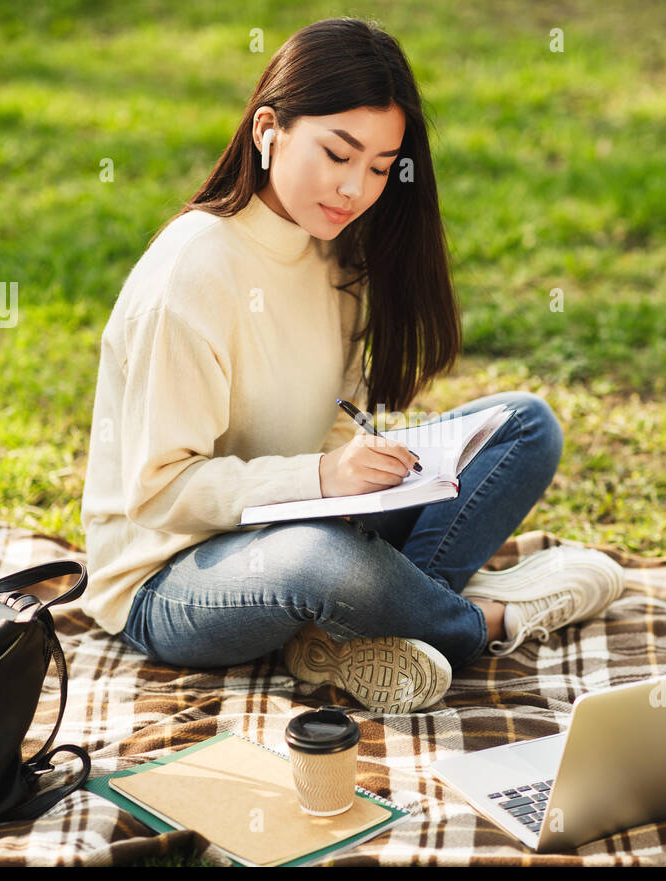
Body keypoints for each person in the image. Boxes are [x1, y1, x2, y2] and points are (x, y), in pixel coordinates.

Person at [80, 17, 629, 715]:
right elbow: (157, 496)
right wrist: (320, 481)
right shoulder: (189, 278)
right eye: (337, 154)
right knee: (323, 560)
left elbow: (336, 419)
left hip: (309, 516)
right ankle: (487, 622)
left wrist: (361, 467)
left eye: (378, 167)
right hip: (172, 579)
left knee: (524, 426)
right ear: (268, 130)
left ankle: (341, 640)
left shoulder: (335, 252)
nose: (355, 189)